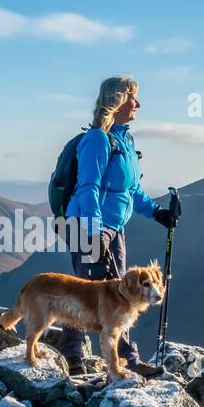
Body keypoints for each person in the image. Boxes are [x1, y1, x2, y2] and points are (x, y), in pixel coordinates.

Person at [60, 75, 178, 377]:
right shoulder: (98, 140)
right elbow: (88, 188)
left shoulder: (124, 140)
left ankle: (122, 358)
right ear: (117, 101)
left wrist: (157, 213)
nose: (137, 103)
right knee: (85, 292)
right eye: (132, 98)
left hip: (112, 229)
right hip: (87, 226)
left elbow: (131, 190)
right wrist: (96, 231)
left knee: (122, 295)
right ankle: (77, 357)